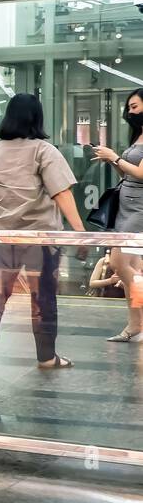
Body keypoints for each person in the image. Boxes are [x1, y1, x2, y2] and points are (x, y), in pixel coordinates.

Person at [0, 93, 85, 369]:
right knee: (43, 298)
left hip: (1, 239)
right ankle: (47, 357)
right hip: (41, 239)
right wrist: (80, 231)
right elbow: (61, 193)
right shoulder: (43, 150)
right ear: (37, 117)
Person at [89, 87, 143, 341]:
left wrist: (115, 157)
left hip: (139, 209)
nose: (130, 112)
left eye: (135, 107)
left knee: (118, 264)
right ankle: (135, 325)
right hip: (126, 204)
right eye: (129, 107)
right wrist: (112, 160)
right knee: (132, 270)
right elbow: (128, 173)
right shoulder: (138, 136)